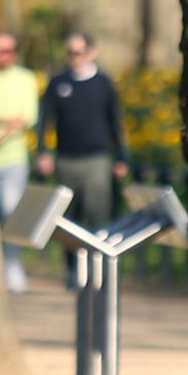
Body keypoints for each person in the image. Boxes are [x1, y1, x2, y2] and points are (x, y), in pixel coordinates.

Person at [33, 31, 129, 287]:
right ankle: (73, 272)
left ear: (90, 53)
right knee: (68, 220)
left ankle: (101, 272)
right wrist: (43, 151)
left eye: (77, 52)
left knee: (98, 214)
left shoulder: (104, 83)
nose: (73, 58)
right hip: (66, 159)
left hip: (96, 158)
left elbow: (115, 122)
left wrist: (122, 158)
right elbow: (44, 121)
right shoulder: (58, 83)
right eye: (70, 52)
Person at [0, 32, 40, 293]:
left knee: (11, 210)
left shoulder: (25, 79)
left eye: (8, 50)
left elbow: (27, 116)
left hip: (13, 159)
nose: (3, 55)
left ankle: (13, 264)